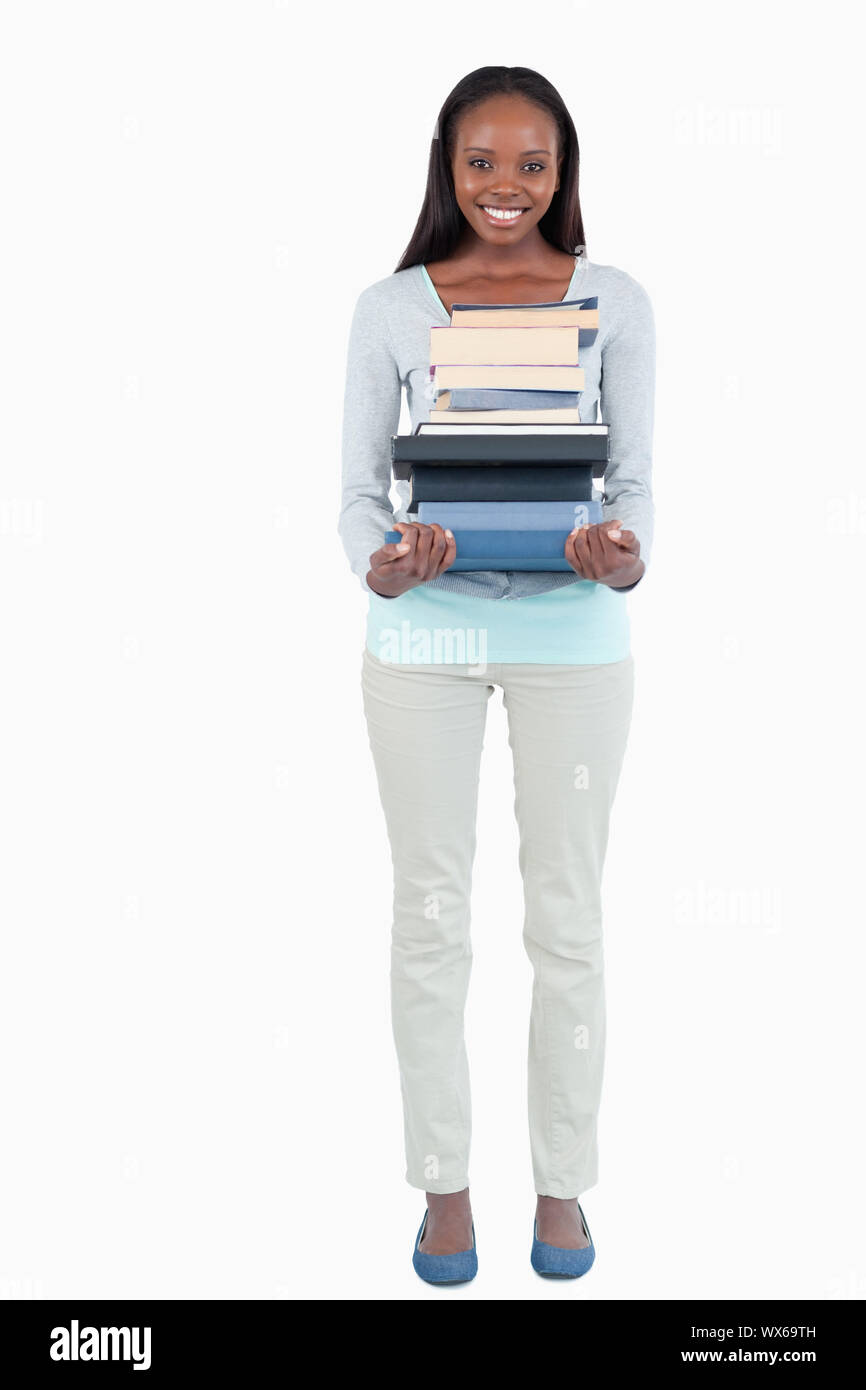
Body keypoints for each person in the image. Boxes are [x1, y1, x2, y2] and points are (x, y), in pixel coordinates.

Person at [339, 64, 655, 1283]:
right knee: (430, 918)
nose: (507, 187)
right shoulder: (390, 308)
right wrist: (381, 565)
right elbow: (358, 491)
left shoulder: (615, 301)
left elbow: (632, 483)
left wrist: (619, 558)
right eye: (482, 162)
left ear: (562, 170)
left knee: (565, 923)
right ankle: (444, 1187)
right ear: (446, 168)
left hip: (574, 639)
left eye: (532, 163)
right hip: (421, 640)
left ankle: (562, 1186)